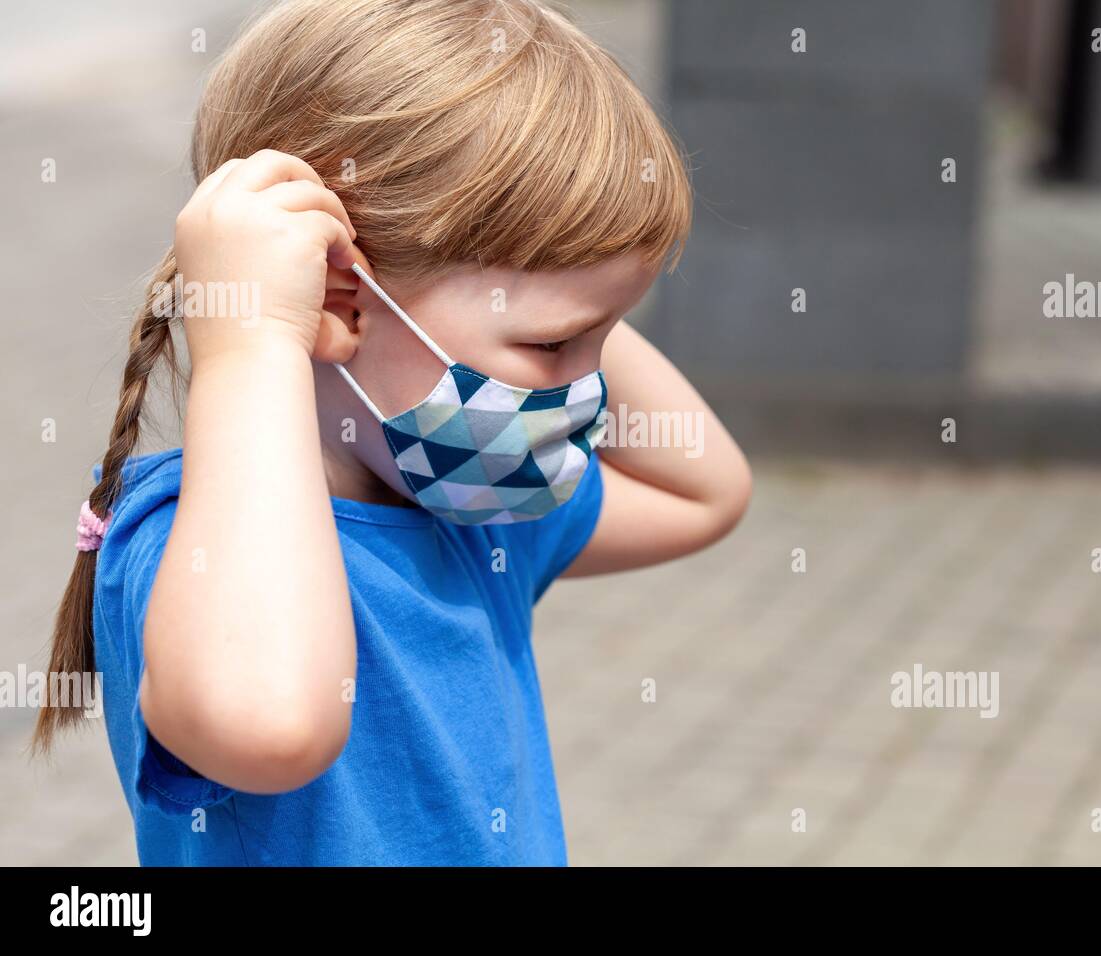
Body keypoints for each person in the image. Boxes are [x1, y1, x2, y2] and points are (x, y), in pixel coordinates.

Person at [31, 0, 751, 865]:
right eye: (554, 343)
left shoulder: (479, 504)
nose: (590, 387)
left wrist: (572, 271)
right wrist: (253, 342)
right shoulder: (192, 544)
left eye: (605, 335)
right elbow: (271, 723)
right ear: (339, 297)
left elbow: (704, 491)